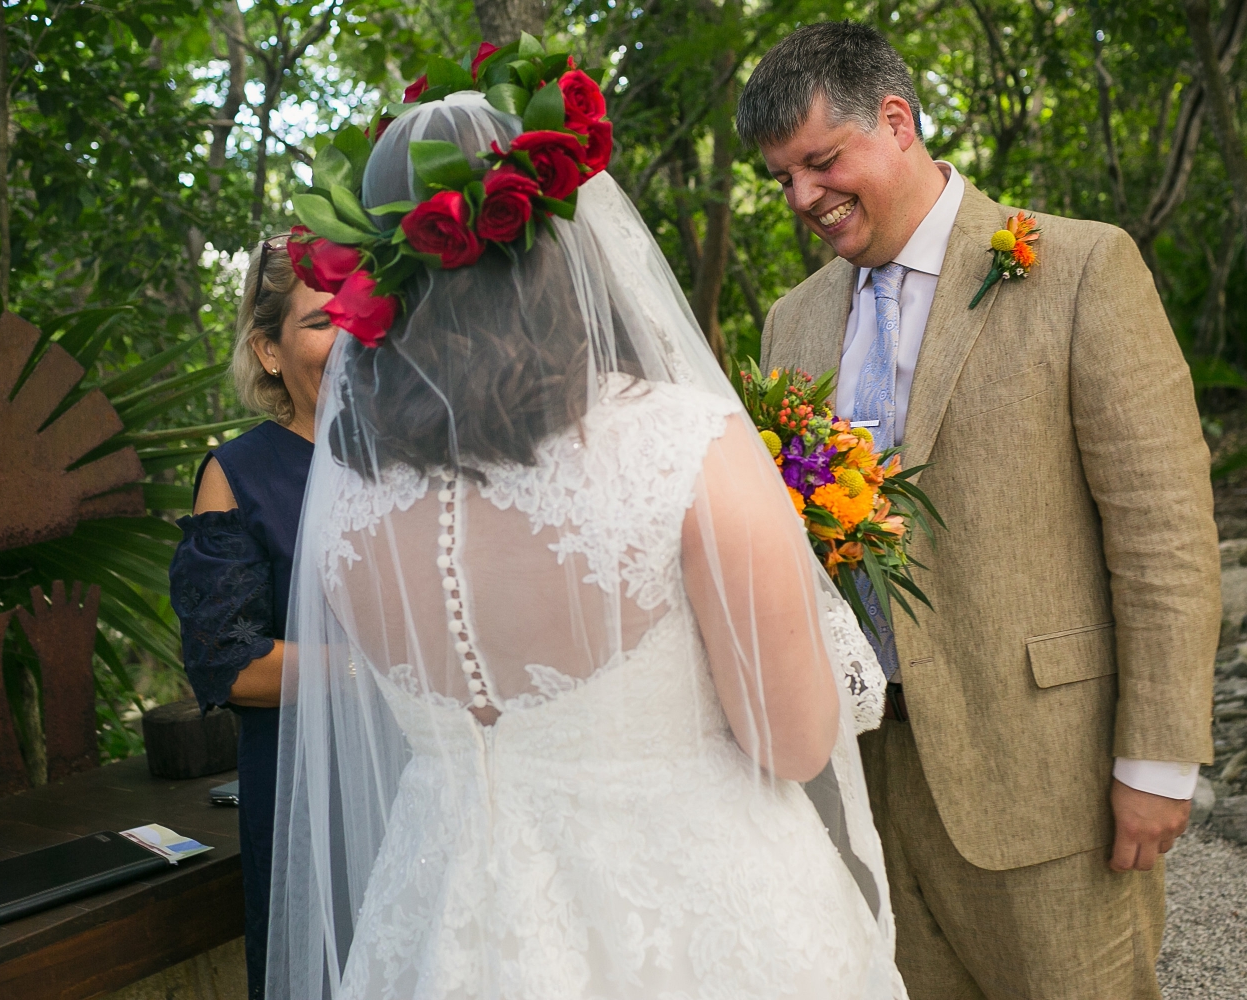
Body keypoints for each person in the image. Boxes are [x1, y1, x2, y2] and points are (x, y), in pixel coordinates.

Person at [267, 90, 907, 999]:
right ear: (567, 244)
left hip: (446, 926)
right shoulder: (683, 447)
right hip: (696, 924)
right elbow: (796, 742)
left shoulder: (349, 504)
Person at [738, 22, 1219, 1000]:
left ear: (898, 121)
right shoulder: (792, 320)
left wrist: (1161, 761)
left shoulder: (1080, 268)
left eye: (821, 163)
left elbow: (1162, 530)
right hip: (870, 783)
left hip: (1051, 783)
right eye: (781, 178)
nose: (802, 199)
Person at [168, 240, 334, 999]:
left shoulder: (425, 458)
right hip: (308, 802)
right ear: (269, 350)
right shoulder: (236, 476)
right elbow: (229, 665)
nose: (354, 336)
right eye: (325, 319)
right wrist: (375, 667)